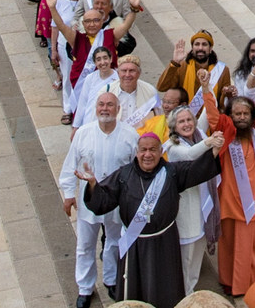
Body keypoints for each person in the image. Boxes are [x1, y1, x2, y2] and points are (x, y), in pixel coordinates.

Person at [78, 130, 223, 308]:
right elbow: (103, 201)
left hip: (164, 243)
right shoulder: (124, 175)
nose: (148, 154)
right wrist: (93, 185)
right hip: (134, 244)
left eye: (153, 150)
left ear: (160, 151)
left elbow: (196, 169)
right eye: (143, 150)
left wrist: (214, 150)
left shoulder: (171, 172)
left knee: (165, 288)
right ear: (137, 152)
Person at [202, 63, 255, 297]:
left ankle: (254, 280)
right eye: (237, 114)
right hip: (231, 199)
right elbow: (214, 117)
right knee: (229, 245)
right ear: (231, 116)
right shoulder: (226, 133)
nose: (241, 117)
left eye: (245, 114)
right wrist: (206, 89)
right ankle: (230, 281)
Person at [59, 92, 136, 308]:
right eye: (101, 104)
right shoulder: (83, 133)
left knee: (113, 242)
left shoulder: (130, 135)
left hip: (117, 201)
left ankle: (111, 280)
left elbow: (136, 169)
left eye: (110, 105)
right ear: (95, 108)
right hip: (88, 201)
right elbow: (69, 165)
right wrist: (68, 194)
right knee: (85, 245)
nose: (105, 109)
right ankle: (85, 287)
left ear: (117, 108)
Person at [163, 105, 220, 294]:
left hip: (203, 210)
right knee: (185, 265)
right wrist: (211, 142)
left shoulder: (198, 136)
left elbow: (205, 115)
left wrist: (206, 87)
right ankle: (183, 299)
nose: (186, 124)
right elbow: (190, 155)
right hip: (186, 215)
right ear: (174, 126)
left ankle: (190, 293)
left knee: (195, 266)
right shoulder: (173, 147)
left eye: (189, 120)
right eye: (181, 121)